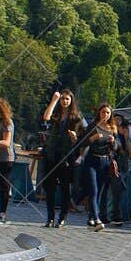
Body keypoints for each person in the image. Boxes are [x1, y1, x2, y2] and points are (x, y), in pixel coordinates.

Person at [38, 89, 84, 228]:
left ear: (71, 101)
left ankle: (62, 217)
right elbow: (46, 117)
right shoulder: (56, 114)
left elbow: (83, 137)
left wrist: (75, 138)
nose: (64, 101)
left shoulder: (76, 117)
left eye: (67, 99)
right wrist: (54, 100)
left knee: (65, 188)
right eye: (62, 99)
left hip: (66, 155)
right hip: (52, 153)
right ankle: (50, 217)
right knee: (50, 187)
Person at [77, 103, 118, 231]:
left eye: (107, 113)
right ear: (99, 113)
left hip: (105, 162)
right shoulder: (93, 126)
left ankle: (90, 218)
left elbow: (118, 148)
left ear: (110, 115)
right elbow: (81, 142)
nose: (105, 115)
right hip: (92, 161)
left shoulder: (112, 128)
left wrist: (113, 142)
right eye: (103, 112)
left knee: (100, 192)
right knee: (93, 190)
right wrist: (93, 138)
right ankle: (97, 218)